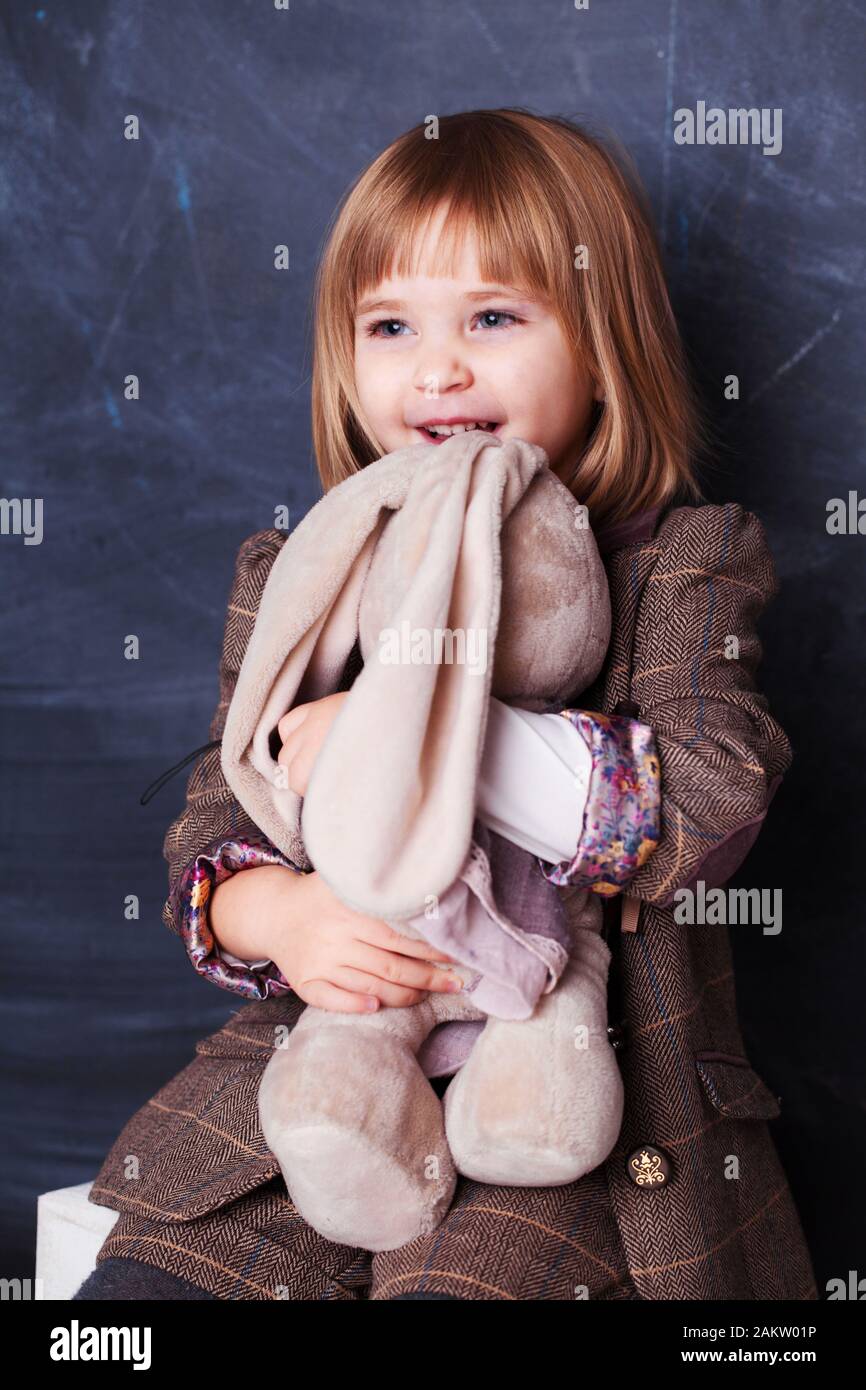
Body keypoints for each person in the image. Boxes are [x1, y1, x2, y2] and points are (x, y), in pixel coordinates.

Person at [75, 109, 816, 1301]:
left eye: (491, 318)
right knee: (140, 1307)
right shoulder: (305, 573)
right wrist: (278, 916)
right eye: (390, 326)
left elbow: (705, 807)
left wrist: (413, 739)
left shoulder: (682, 567)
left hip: (575, 1121)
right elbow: (214, 814)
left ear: (602, 347)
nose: (436, 369)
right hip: (326, 1074)